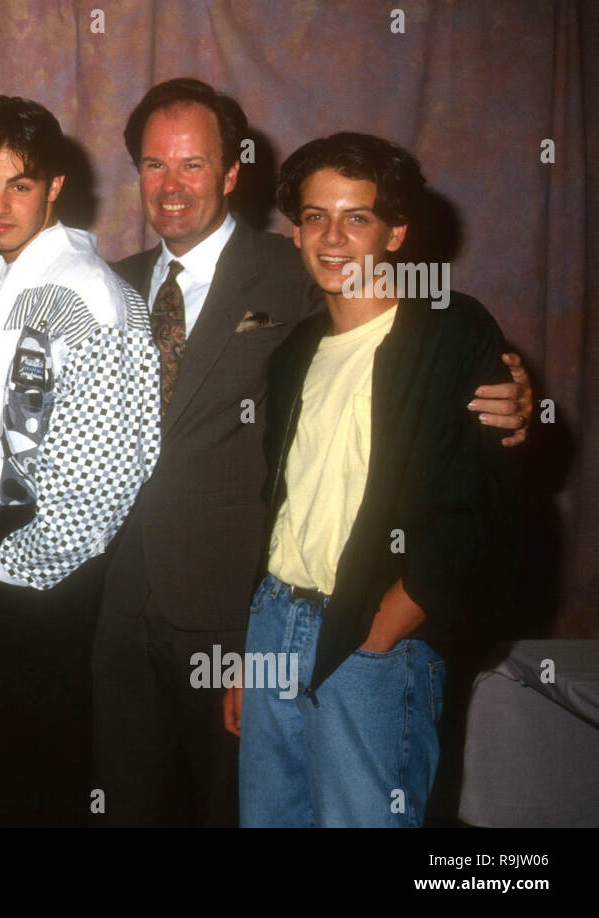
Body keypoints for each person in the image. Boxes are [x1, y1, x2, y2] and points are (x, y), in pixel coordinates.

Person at [91, 78, 534, 827]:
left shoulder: (312, 281)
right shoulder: (113, 287)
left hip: (306, 612)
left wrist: (514, 398)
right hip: (181, 611)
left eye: (193, 164)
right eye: (154, 165)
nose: (171, 186)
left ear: (233, 173)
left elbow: (464, 477)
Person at [223, 132, 521, 826]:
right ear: (295, 230)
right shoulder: (293, 351)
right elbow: (286, 505)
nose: (333, 237)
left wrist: (384, 628)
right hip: (275, 620)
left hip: (374, 634)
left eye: (357, 217)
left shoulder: (451, 331)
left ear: (396, 232)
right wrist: (254, 653)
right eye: (315, 216)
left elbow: (480, 507)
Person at [0, 96, 161, 826]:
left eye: (20, 184)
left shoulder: (89, 294)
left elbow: (110, 474)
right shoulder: (8, 278)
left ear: (55, 185)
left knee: (37, 764)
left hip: (40, 557)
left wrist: (17, 567)